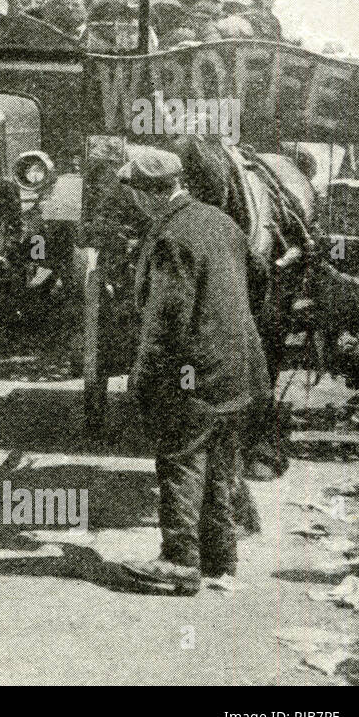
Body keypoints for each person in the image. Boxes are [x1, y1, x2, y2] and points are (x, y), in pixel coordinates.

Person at [120, 148, 271, 596]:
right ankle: (221, 562)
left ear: (147, 195)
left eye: (133, 193)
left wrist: (143, 373)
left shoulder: (170, 236)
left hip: (194, 372)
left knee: (181, 458)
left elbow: (166, 318)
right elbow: (259, 277)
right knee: (221, 464)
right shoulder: (221, 221)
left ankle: (179, 564)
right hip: (238, 367)